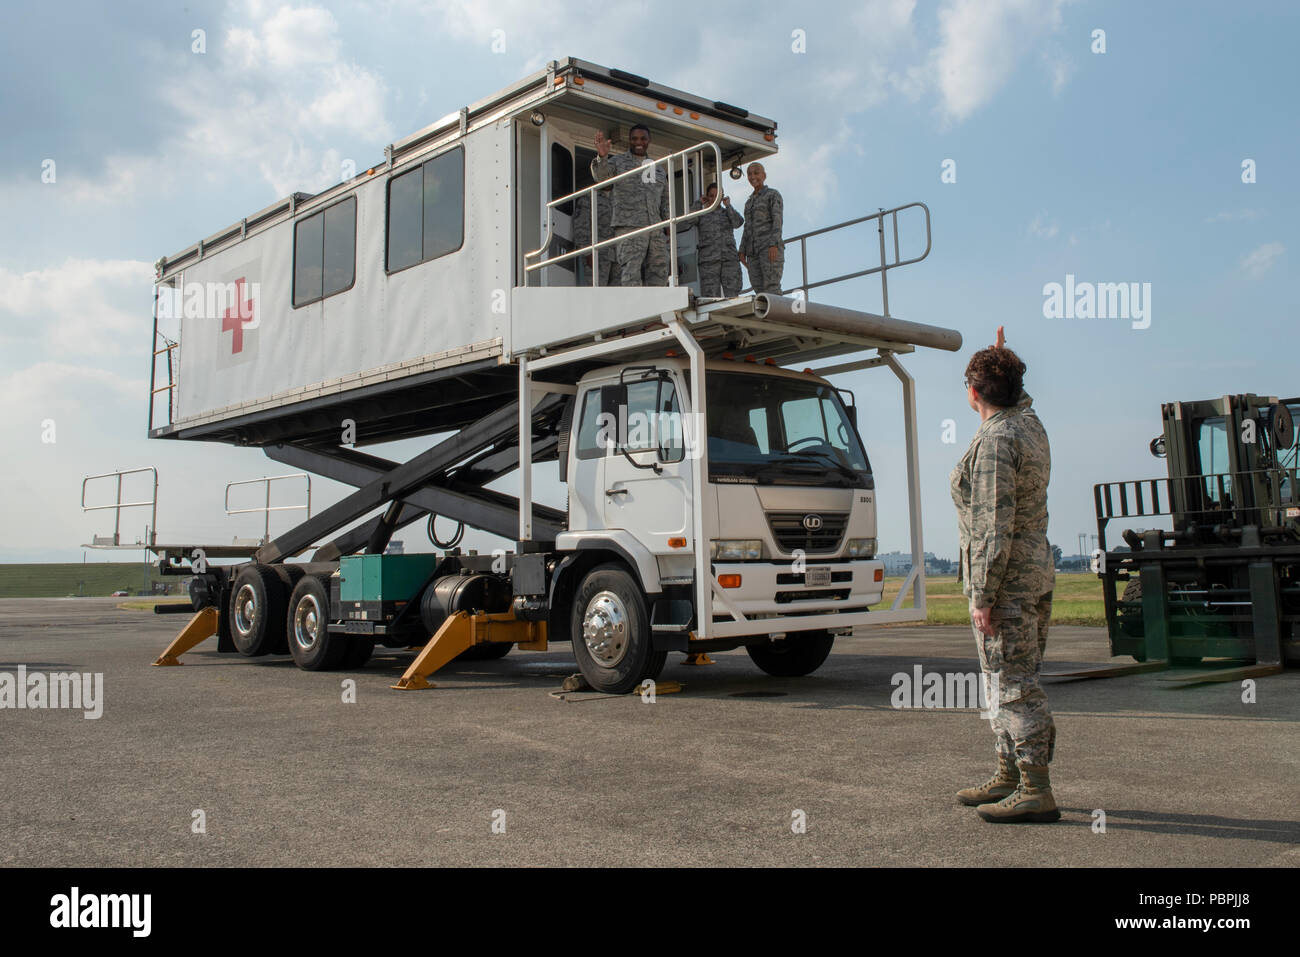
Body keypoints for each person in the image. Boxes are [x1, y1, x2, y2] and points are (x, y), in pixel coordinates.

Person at [949, 326, 1059, 824]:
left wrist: (984, 594)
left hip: (1007, 581)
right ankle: (1009, 775)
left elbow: (994, 522)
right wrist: (1001, 362)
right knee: (1001, 682)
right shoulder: (1026, 423)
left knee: (1013, 684)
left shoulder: (997, 440)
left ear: (973, 393)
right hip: (1033, 572)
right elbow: (1012, 396)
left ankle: (1036, 787)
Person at [591, 125, 670, 286]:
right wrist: (602, 157)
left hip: (655, 228)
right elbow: (602, 179)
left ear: (649, 141)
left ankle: (657, 308)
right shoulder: (618, 162)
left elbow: (665, 199)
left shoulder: (658, 168)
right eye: (634, 139)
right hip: (629, 226)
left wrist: (668, 224)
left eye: (643, 138)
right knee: (631, 271)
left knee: (659, 272)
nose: (638, 142)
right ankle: (637, 309)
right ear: (629, 140)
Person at [691, 182, 744, 297]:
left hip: (728, 260)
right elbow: (690, 220)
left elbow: (738, 222)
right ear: (707, 197)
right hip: (709, 262)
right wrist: (699, 202)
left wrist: (728, 206)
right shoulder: (702, 214)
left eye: (717, 196)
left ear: (722, 196)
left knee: (733, 295)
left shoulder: (727, 213)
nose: (714, 199)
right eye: (711, 196)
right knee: (710, 297)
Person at [738, 163, 783, 294]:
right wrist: (742, 250)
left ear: (764, 175)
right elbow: (747, 227)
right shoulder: (749, 202)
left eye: (756, 173)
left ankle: (776, 314)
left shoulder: (772, 195)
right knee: (759, 290)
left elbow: (778, 221)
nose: (753, 176)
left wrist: (774, 244)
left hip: (768, 249)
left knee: (772, 287)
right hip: (753, 252)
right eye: (750, 174)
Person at [573, 183, 619, 287]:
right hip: (598, 254)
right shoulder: (589, 197)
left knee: (617, 294)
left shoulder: (619, 195)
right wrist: (588, 253)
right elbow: (581, 227)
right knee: (598, 290)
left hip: (617, 254)